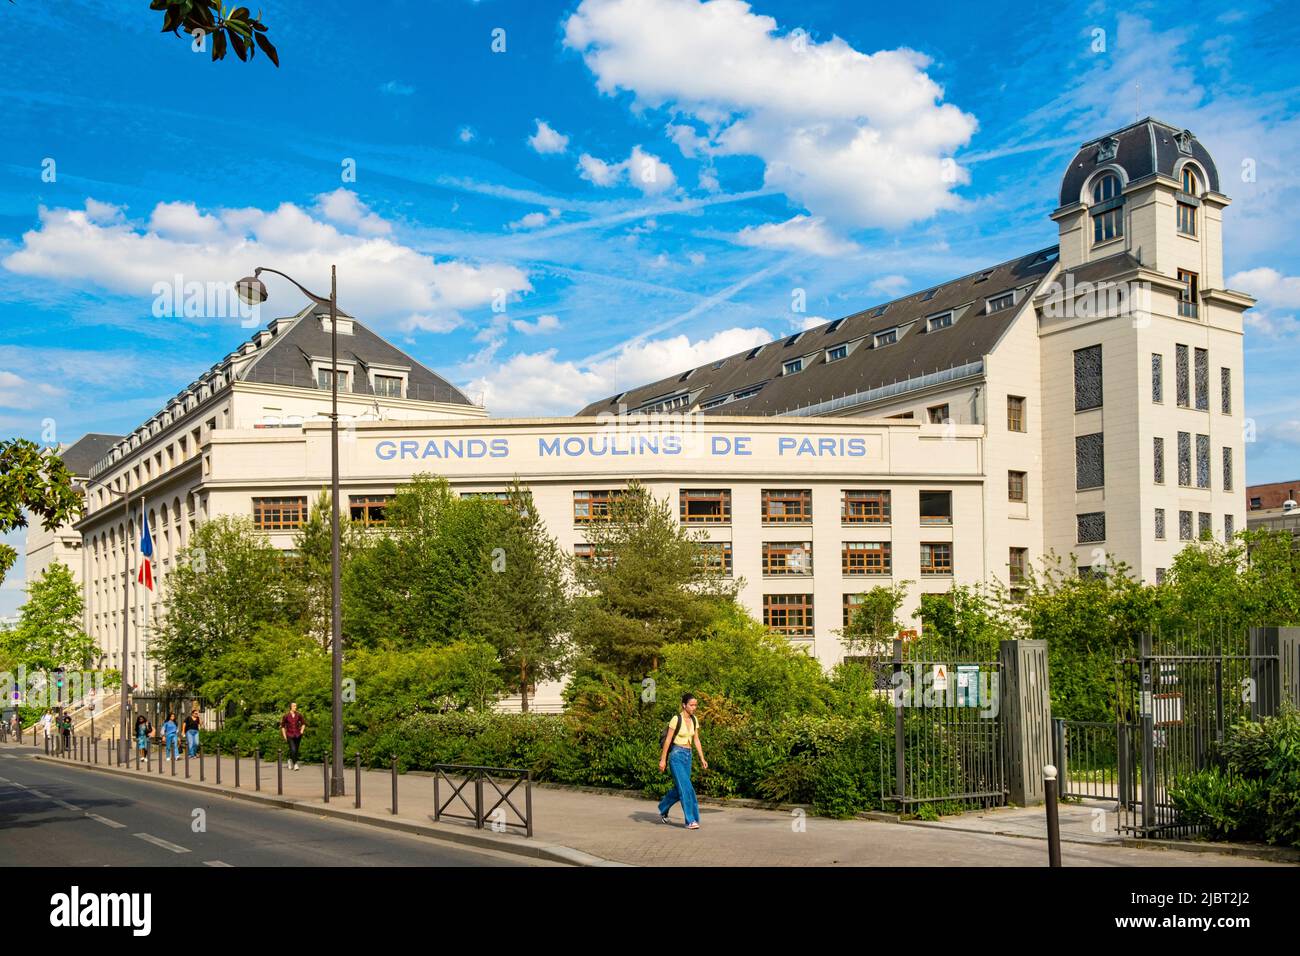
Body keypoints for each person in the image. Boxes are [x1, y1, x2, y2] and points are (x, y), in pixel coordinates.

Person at [657, 693, 707, 829]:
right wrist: (663, 760)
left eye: (695, 705)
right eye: (691, 705)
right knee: (686, 788)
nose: (694, 707)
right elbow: (668, 740)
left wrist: (702, 757)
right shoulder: (676, 719)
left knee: (681, 787)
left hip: (688, 756)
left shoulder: (694, 720)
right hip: (676, 756)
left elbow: (696, 739)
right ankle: (690, 820)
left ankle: (663, 806)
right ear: (684, 705)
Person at [280, 702, 306, 770]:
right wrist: (284, 736)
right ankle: (295, 764)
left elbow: (303, 723)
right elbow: (282, 726)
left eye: (296, 706)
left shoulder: (299, 715)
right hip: (289, 735)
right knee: (293, 749)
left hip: (298, 735)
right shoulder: (286, 716)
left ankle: (290, 760)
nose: (295, 707)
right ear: (290, 707)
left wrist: (301, 731)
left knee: (296, 750)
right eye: (294, 706)